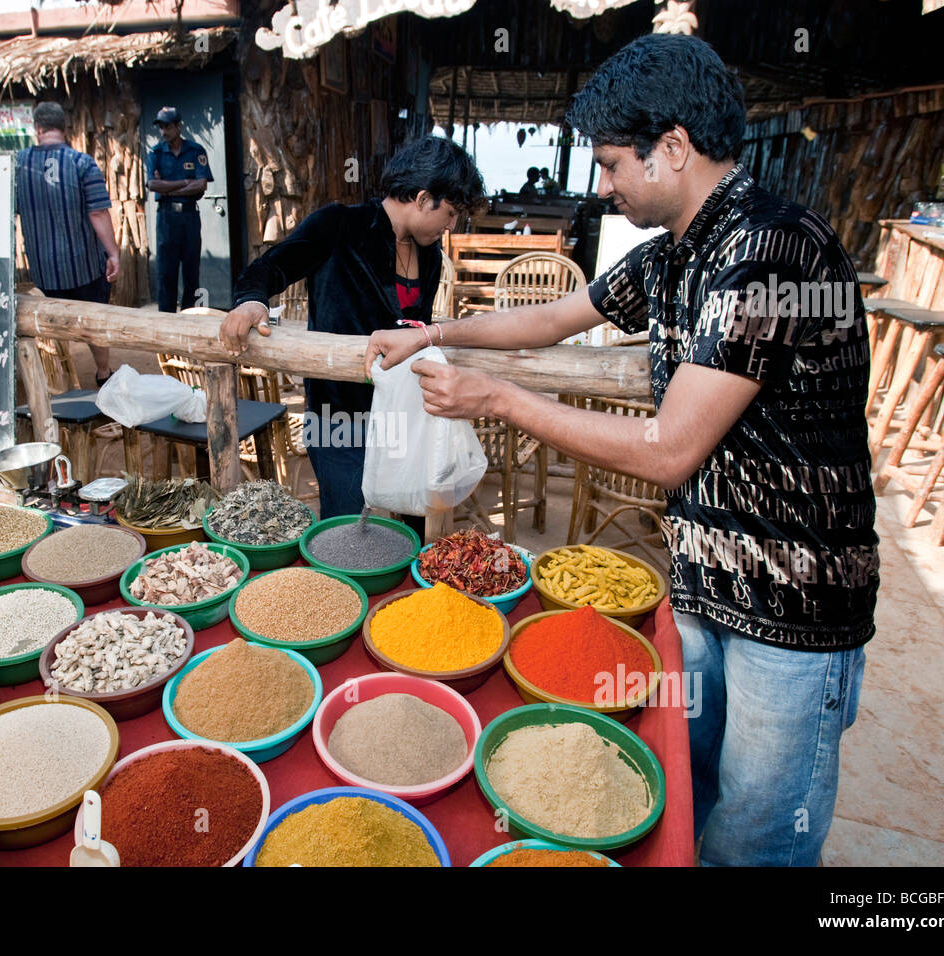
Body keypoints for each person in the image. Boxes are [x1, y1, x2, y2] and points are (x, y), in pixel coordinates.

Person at [365, 35, 877, 867]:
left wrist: (497, 398)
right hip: (706, 582)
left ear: (671, 147)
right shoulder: (673, 255)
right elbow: (549, 318)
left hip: (793, 604)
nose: (601, 187)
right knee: (692, 789)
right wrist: (435, 333)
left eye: (610, 165)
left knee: (755, 837)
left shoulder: (772, 252)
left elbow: (669, 449)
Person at [219, 137, 486, 531]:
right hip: (338, 416)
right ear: (422, 198)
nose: (451, 226)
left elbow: (414, 329)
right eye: (449, 214)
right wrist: (251, 301)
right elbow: (269, 268)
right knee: (345, 532)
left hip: (403, 413)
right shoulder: (338, 225)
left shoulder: (429, 254)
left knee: (410, 526)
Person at [14, 101, 121, 385]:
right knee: (94, 320)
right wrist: (113, 253)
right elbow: (98, 213)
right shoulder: (81, 162)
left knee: (49, 326)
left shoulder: (18, 164)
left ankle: (57, 380)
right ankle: (103, 372)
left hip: (44, 271)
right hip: (83, 266)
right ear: (65, 128)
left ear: (38, 128)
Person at [147, 106, 213, 313]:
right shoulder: (156, 153)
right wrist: (185, 182)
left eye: (168, 126)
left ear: (178, 126)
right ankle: (165, 320)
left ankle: (189, 316)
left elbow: (201, 184)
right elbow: (152, 185)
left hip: (189, 216)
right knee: (166, 272)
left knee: (191, 271)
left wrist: (168, 188)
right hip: (166, 217)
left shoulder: (195, 151)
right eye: (161, 127)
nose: (164, 131)